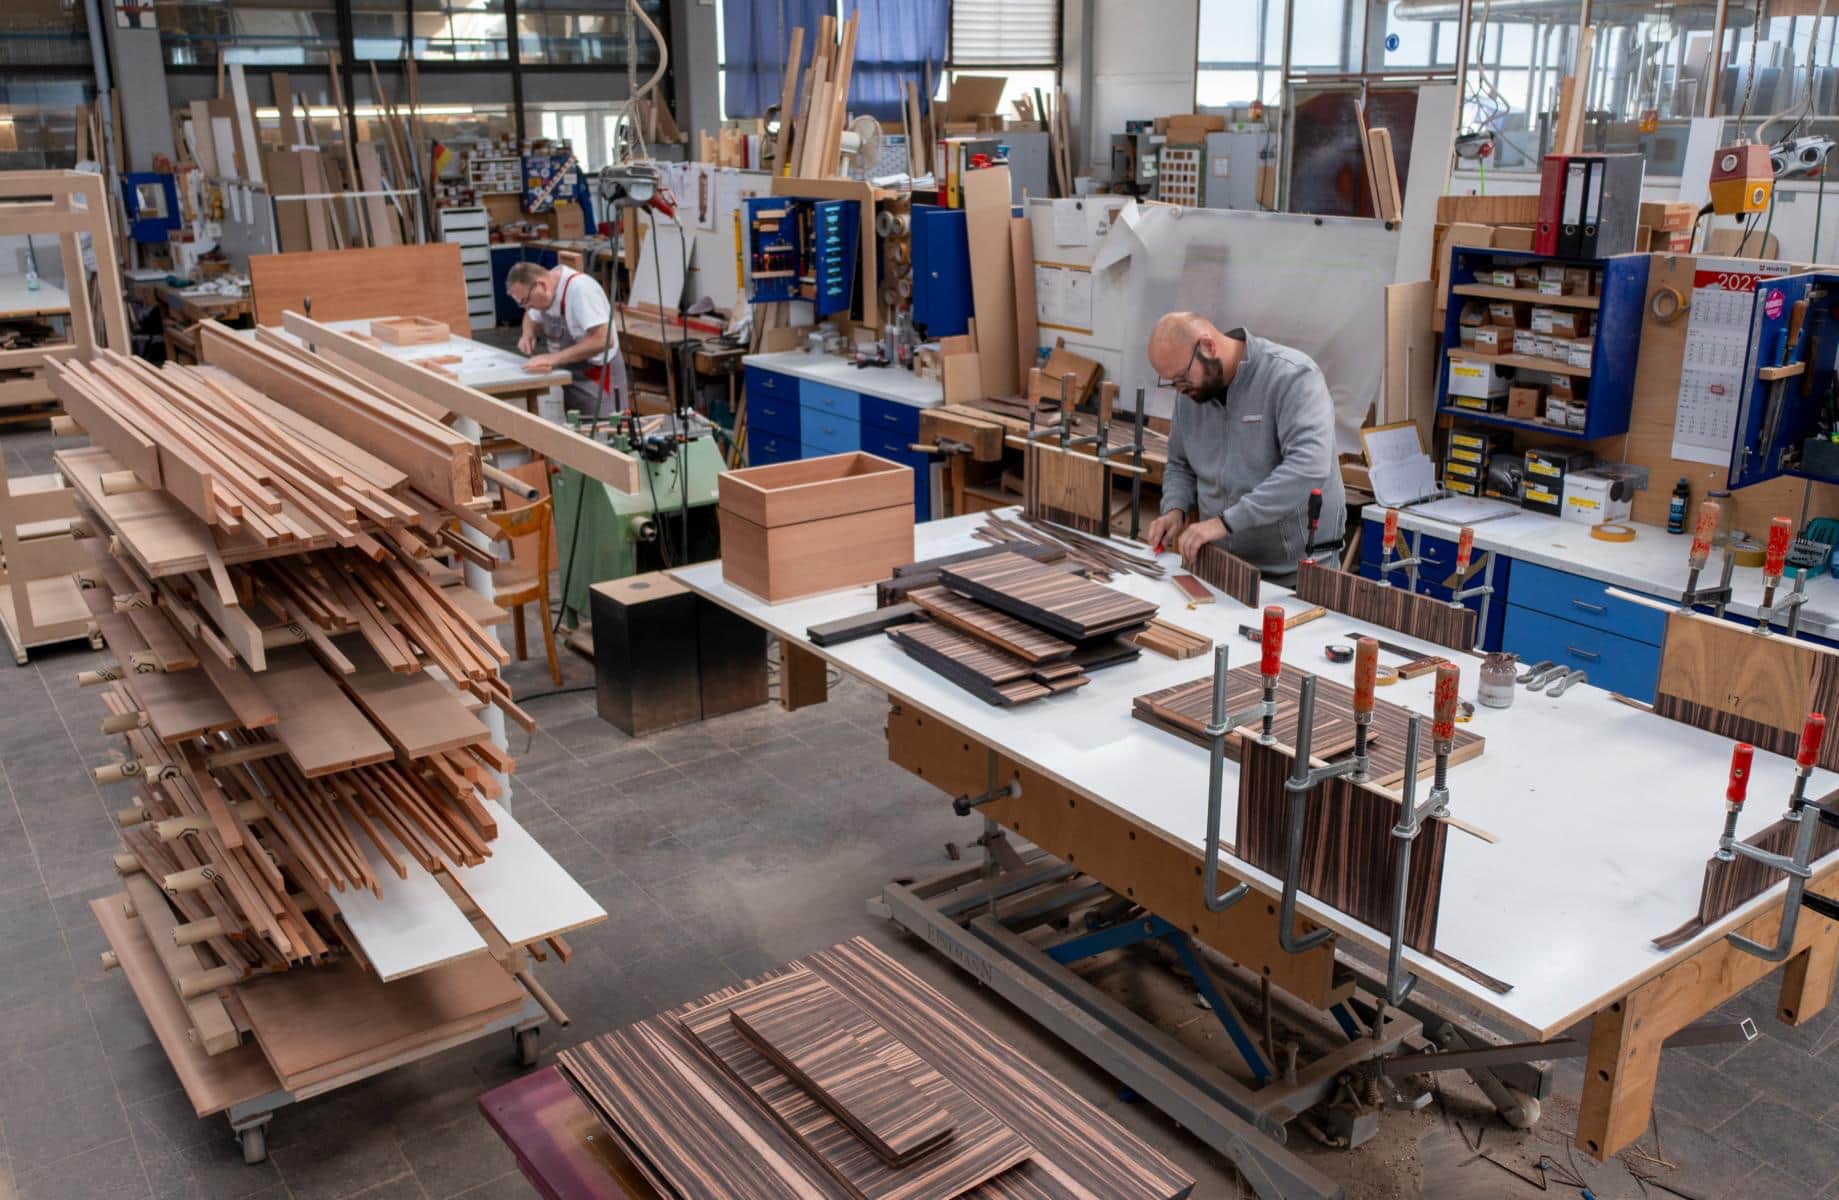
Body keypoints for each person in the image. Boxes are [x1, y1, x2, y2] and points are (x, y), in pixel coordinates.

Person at [1143, 311, 1345, 583]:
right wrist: (1174, 508)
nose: (1179, 389)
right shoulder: (1191, 394)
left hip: (1297, 574)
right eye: (1171, 382)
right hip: (1224, 567)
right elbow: (1181, 464)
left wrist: (1226, 522)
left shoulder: (1292, 377)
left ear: (1208, 346)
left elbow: (1307, 468)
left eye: (1181, 377)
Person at [506, 260, 628, 419]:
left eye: (526, 301)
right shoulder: (545, 293)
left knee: (606, 429)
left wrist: (552, 358)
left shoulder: (581, 290)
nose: (527, 308)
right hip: (571, 374)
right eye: (522, 304)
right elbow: (530, 317)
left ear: (541, 285)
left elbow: (603, 340)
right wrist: (527, 333)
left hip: (598, 377)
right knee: (576, 428)